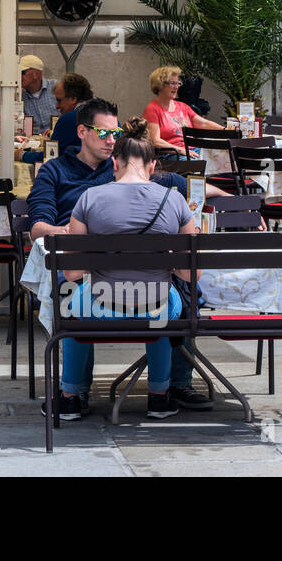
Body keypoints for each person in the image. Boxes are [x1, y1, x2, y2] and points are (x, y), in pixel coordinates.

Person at [29, 97, 228, 412]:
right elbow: (37, 227)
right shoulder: (55, 170)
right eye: (104, 132)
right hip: (92, 264)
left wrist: (233, 199)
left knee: (168, 287)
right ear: (82, 131)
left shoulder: (122, 173)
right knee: (167, 292)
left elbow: (189, 186)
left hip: (95, 274)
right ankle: (91, 391)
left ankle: (176, 384)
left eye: (116, 133)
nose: (112, 140)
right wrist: (68, 233)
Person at [54, 117, 198, 421]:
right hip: (156, 310)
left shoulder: (89, 198)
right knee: (162, 298)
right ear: (152, 165)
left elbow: (70, 273)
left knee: (70, 300)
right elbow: (189, 275)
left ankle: (69, 398)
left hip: (100, 307)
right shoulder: (175, 200)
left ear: (115, 162)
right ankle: (159, 397)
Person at [142, 65, 225, 159]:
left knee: (224, 159)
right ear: (160, 85)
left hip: (193, 150)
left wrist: (226, 130)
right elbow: (155, 141)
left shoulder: (182, 106)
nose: (176, 87)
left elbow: (203, 123)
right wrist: (180, 150)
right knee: (203, 163)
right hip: (172, 154)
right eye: (173, 83)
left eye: (178, 83)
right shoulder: (152, 109)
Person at [21, 55, 58, 130]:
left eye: (22, 72)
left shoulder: (57, 88)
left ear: (36, 74)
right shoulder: (19, 96)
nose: (17, 76)